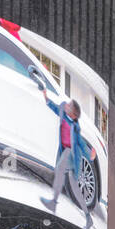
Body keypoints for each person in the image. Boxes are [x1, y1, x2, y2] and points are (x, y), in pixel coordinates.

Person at [39, 91, 93, 222]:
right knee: (74, 186)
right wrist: (46, 97)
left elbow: (80, 142)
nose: (66, 106)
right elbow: (55, 108)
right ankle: (87, 216)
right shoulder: (63, 114)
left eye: (69, 106)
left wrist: (90, 153)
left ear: (74, 115)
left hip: (72, 154)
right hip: (64, 151)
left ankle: (53, 203)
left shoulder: (75, 127)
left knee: (59, 170)